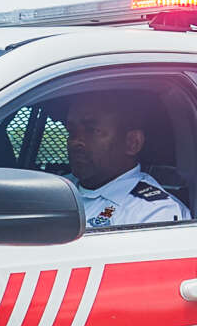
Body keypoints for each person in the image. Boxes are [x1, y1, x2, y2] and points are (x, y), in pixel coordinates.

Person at [56, 89, 189, 228]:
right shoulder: (56, 187)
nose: (75, 141)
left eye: (92, 130)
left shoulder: (154, 213)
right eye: (71, 131)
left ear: (132, 142)